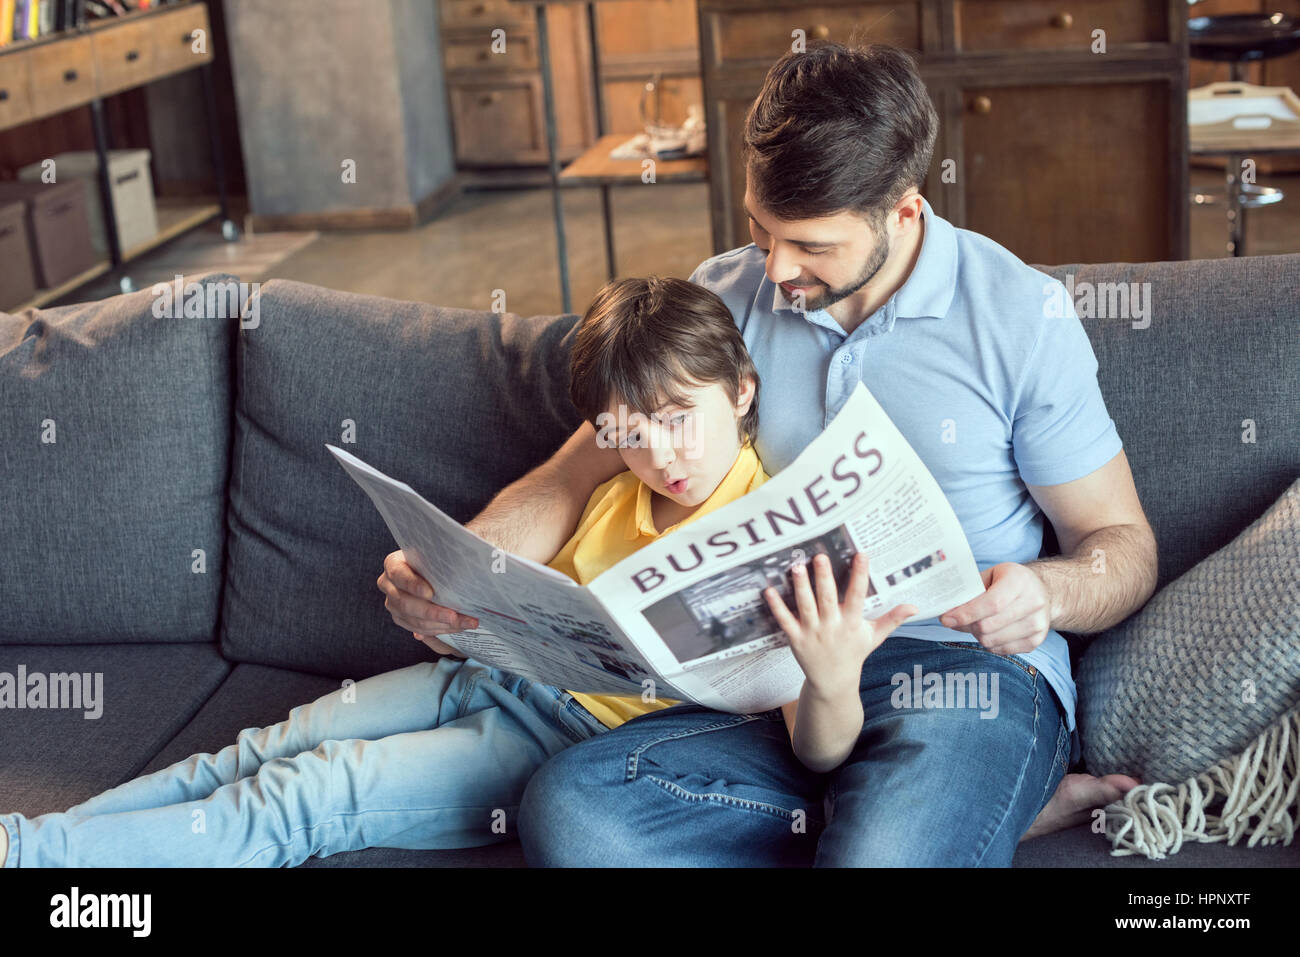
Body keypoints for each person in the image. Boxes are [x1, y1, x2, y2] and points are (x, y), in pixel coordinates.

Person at [385, 41, 1153, 866]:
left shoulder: (1019, 317)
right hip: (766, 686)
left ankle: (921, 813)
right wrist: (463, 573)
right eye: (760, 228)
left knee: (881, 859)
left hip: (961, 674)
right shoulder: (726, 293)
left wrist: (1044, 591)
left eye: (812, 246)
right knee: (572, 812)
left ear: (904, 209)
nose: (776, 269)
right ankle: (961, 813)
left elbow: (1122, 549)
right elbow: (580, 467)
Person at [0, 276, 853, 867]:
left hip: (562, 738)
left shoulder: (773, 530)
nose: (660, 454)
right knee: (270, 743)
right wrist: (459, 593)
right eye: (628, 430)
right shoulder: (618, 469)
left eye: (678, 419)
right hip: (489, 675)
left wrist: (832, 679)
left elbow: (820, 752)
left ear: (741, 390)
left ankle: (46, 862)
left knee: (307, 793)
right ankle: (30, 846)